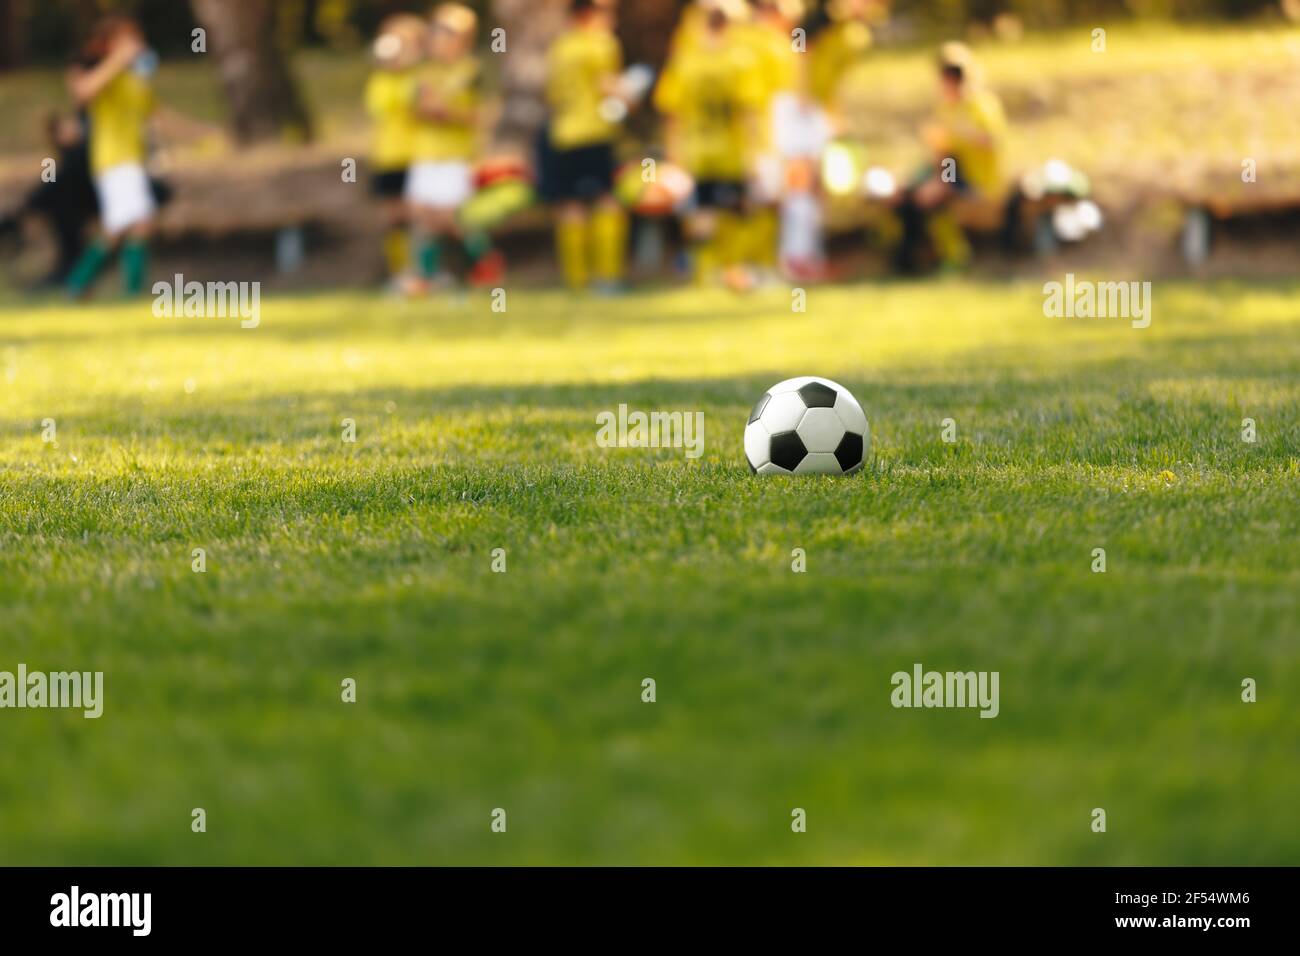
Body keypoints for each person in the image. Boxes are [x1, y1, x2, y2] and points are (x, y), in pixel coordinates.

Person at [654, 0, 764, 290]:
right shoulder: (741, 60)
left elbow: (671, 112)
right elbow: (749, 111)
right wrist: (754, 154)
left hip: (695, 149)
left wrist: (672, 152)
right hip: (730, 149)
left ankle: (701, 275)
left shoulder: (685, 61)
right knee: (735, 213)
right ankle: (732, 273)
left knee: (701, 213)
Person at [405, 3, 502, 290]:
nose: (441, 39)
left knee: (452, 218)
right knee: (423, 217)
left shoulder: (473, 71)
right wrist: (426, 110)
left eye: (449, 33)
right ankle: (427, 279)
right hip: (425, 152)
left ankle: (486, 266)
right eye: (437, 31)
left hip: (457, 155)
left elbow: (487, 115)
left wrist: (448, 114)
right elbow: (412, 110)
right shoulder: (422, 72)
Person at [64, 16, 159, 298]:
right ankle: (129, 291)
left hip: (133, 158)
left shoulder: (134, 80)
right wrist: (117, 60)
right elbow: (82, 92)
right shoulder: (104, 74)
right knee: (138, 221)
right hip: (114, 160)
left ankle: (79, 284)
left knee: (121, 226)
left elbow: (155, 114)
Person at [894, 41, 1007, 272]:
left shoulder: (980, 106)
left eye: (955, 76)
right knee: (911, 192)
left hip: (978, 178)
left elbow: (991, 141)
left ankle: (954, 255)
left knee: (935, 194)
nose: (950, 83)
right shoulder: (946, 108)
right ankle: (911, 257)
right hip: (953, 169)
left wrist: (960, 133)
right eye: (946, 76)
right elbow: (943, 153)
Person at [541, 0, 629, 293]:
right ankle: (607, 278)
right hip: (594, 132)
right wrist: (629, 96)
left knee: (570, 204)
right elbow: (609, 89)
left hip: (563, 133)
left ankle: (576, 282)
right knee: (607, 200)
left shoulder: (560, 47)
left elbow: (551, 94)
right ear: (590, 14)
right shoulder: (600, 44)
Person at [0, 112, 98, 286]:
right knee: (48, 197)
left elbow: (59, 184)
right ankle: (16, 219)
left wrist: (30, 202)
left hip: (85, 204)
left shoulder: (83, 152)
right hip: (65, 208)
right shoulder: (58, 159)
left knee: (47, 198)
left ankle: (15, 219)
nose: (71, 130)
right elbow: (49, 184)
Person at [364, 14, 426, 284]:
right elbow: (382, 106)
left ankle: (424, 273)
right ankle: (400, 275)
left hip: (418, 155)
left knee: (420, 218)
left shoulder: (421, 77)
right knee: (393, 219)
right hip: (388, 157)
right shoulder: (381, 81)